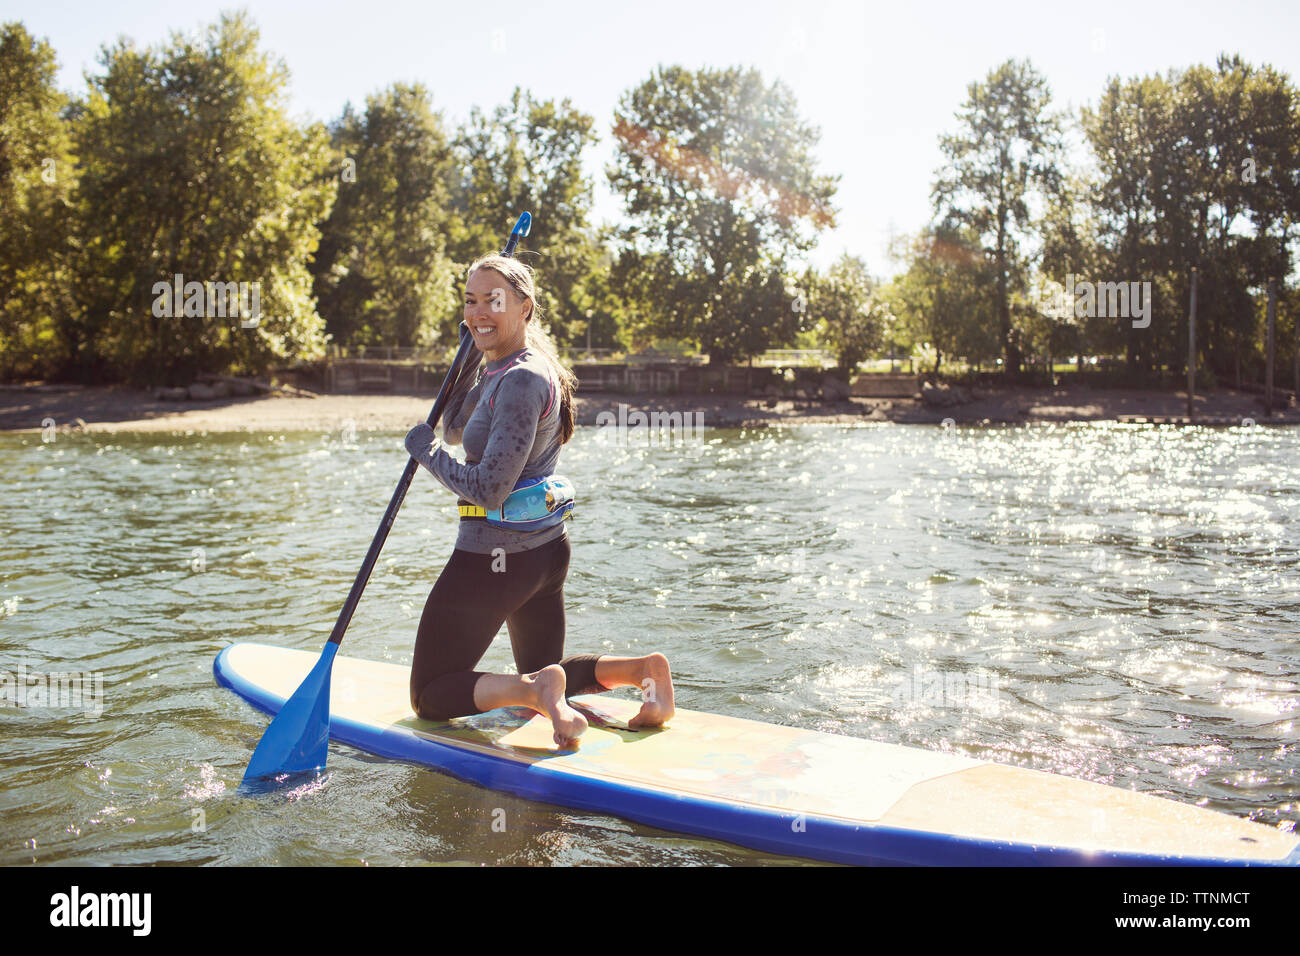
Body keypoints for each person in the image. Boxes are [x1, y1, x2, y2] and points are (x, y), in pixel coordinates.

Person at [403, 255, 674, 748]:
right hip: (541, 554)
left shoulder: (523, 380)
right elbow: (459, 428)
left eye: (494, 301)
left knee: (430, 694)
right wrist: (470, 357)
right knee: (546, 670)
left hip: (494, 559)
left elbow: (488, 489)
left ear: (525, 308)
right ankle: (642, 671)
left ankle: (533, 692)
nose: (479, 310)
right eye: (470, 301)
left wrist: (427, 454)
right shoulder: (506, 369)